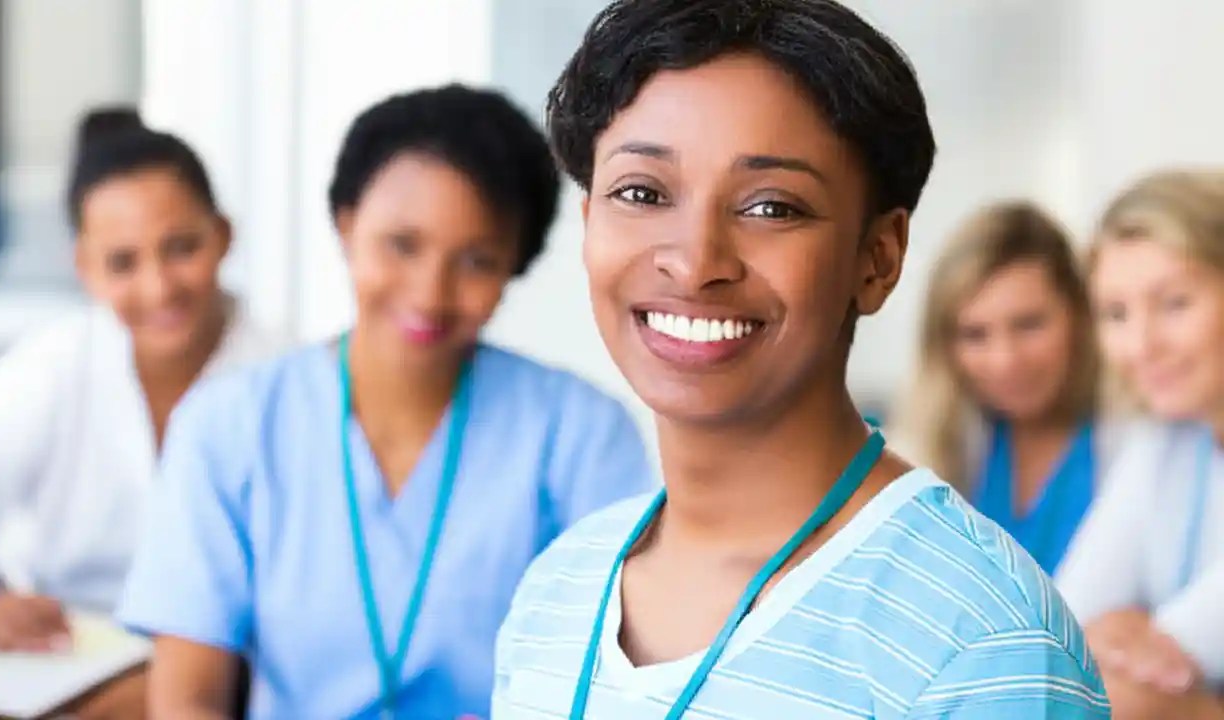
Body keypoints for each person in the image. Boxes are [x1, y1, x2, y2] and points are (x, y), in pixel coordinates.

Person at [492, 1, 1110, 717]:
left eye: (771, 207)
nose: (694, 264)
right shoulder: (557, 591)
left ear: (877, 259)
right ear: (589, 224)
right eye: (642, 192)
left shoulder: (979, 642)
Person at [116, 85, 652, 719]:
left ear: (516, 265)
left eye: (477, 260)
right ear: (346, 225)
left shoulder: (581, 434)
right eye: (402, 244)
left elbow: (618, 690)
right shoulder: (228, 427)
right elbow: (187, 702)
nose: (430, 293)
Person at [0, 108, 277, 717]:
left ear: (224, 235)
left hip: (221, 671)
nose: (158, 288)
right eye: (123, 262)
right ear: (86, 268)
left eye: (181, 249)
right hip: (54, 656)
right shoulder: (54, 365)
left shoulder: (285, 381)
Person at [1057, 170, 1224, 720]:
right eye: (1117, 314)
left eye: (1175, 303)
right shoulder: (1164, 442)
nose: (1142, 344)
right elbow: (1060, 627)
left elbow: (1172, 657)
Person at [891, 202, 1115, 574]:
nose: (1005, 361)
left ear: (1078, 315)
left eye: (1029, 324)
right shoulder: (931, 452)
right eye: (975, 335)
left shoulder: (1133, 438)